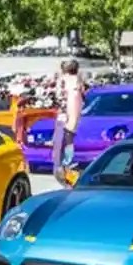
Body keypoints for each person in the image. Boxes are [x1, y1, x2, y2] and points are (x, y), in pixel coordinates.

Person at [52, 59, 85, 187]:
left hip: (65, 121)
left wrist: (70, 124)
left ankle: (68, 178)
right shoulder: (76, 83)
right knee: (65, 149)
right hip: (67, 120)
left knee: (62, 156)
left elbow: (72, 103)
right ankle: (67, 175)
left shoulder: (70, 83)